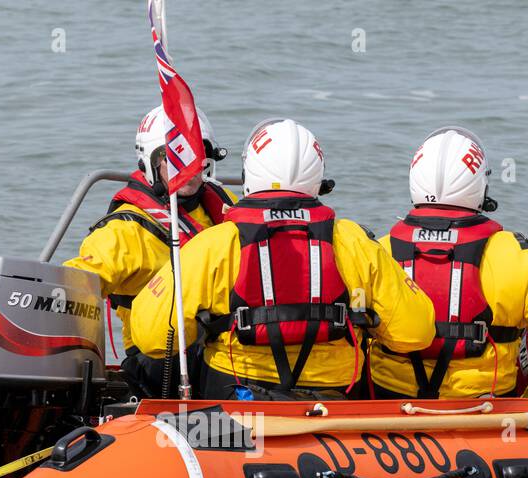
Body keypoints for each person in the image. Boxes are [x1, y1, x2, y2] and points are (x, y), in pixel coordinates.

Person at [129, 118, 435, 401]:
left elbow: (152, 336)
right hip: (335, 400)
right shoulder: (354, 242)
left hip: (235, 401)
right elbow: (414, 333)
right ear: (317, 177)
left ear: (250, 174)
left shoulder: (215, 244)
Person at [370, 127, 528, 401]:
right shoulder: (524, 256)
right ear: (480, 183)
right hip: (486, 408)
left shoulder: (378, 250)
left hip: (389, 402)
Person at [65, 105, 235, 397]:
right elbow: (70, 289)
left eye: (196, 154)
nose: (188, 166)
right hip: (161, 363)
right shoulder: (123, 232)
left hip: (224, 345)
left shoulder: (223, 205)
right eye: (175, 157)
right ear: (150, 161)